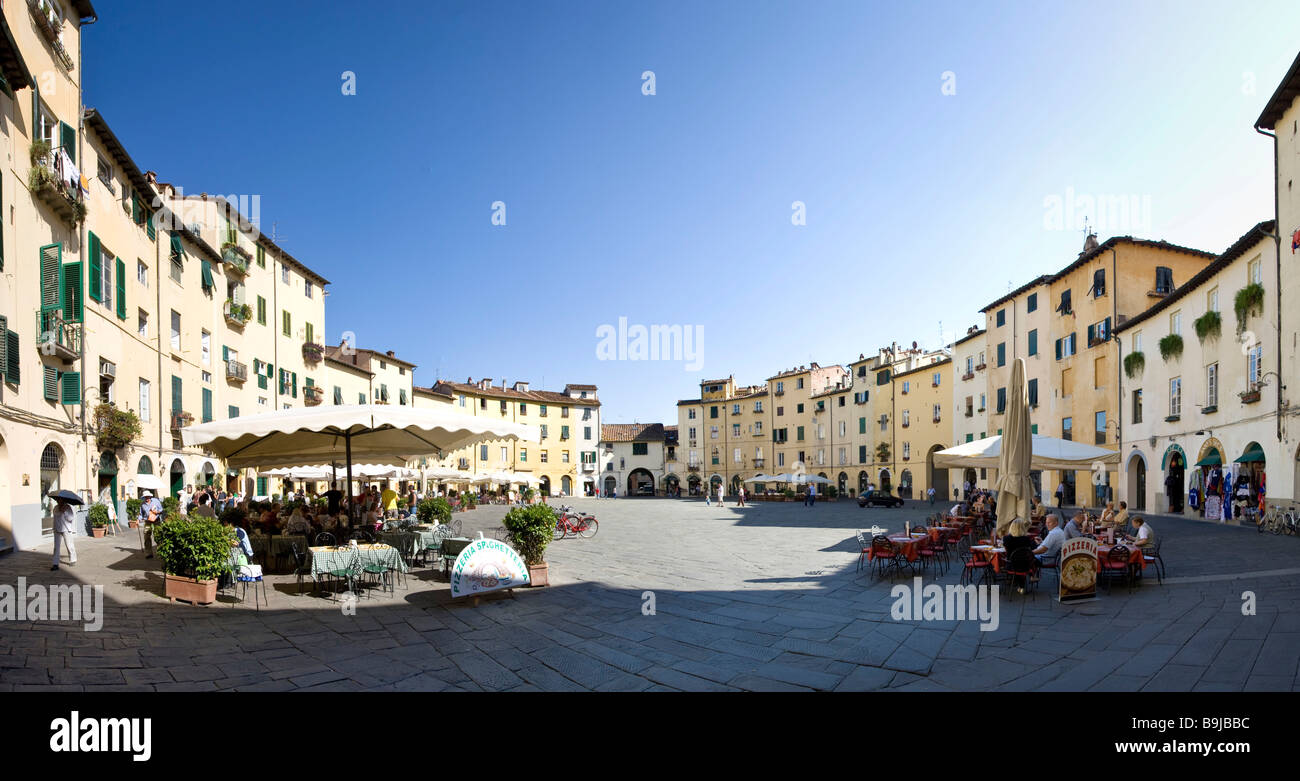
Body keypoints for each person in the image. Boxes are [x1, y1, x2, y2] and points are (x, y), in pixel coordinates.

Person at [1002, 519, 1035, 593]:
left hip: (1011, 565)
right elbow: (1032, 549)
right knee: (1020, 562)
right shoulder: (1026, 539)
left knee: (1012, 561)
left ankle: (1020, 586)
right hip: (1025, 565)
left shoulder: (1006, 539)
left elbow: (1006, 550)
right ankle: (1023, 584)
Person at [50, 494, 78, 570]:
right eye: (58, 500)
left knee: (69, 545)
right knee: (56, 547)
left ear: (63, 500)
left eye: (61, 500)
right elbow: (55, 517)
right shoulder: (55, 508)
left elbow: (70, 518)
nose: (59, 501)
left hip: (66, 529)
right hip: (57, 529)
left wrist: (65, 512)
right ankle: (55, 564)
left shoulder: (68, 508)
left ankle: (73, 559)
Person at [139, 491, 163, 558]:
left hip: (156, 520)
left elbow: (161, 510)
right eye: (145, 497)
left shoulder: (156, 501)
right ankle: (149, 553)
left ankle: (161, 551)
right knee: (146, 536)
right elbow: (141, 514)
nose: (147, 498)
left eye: (148, 497)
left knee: (158, 536)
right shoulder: (142, 504)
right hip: (147, 521)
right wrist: (138, 520)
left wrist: (157, 512)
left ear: (150, 496)